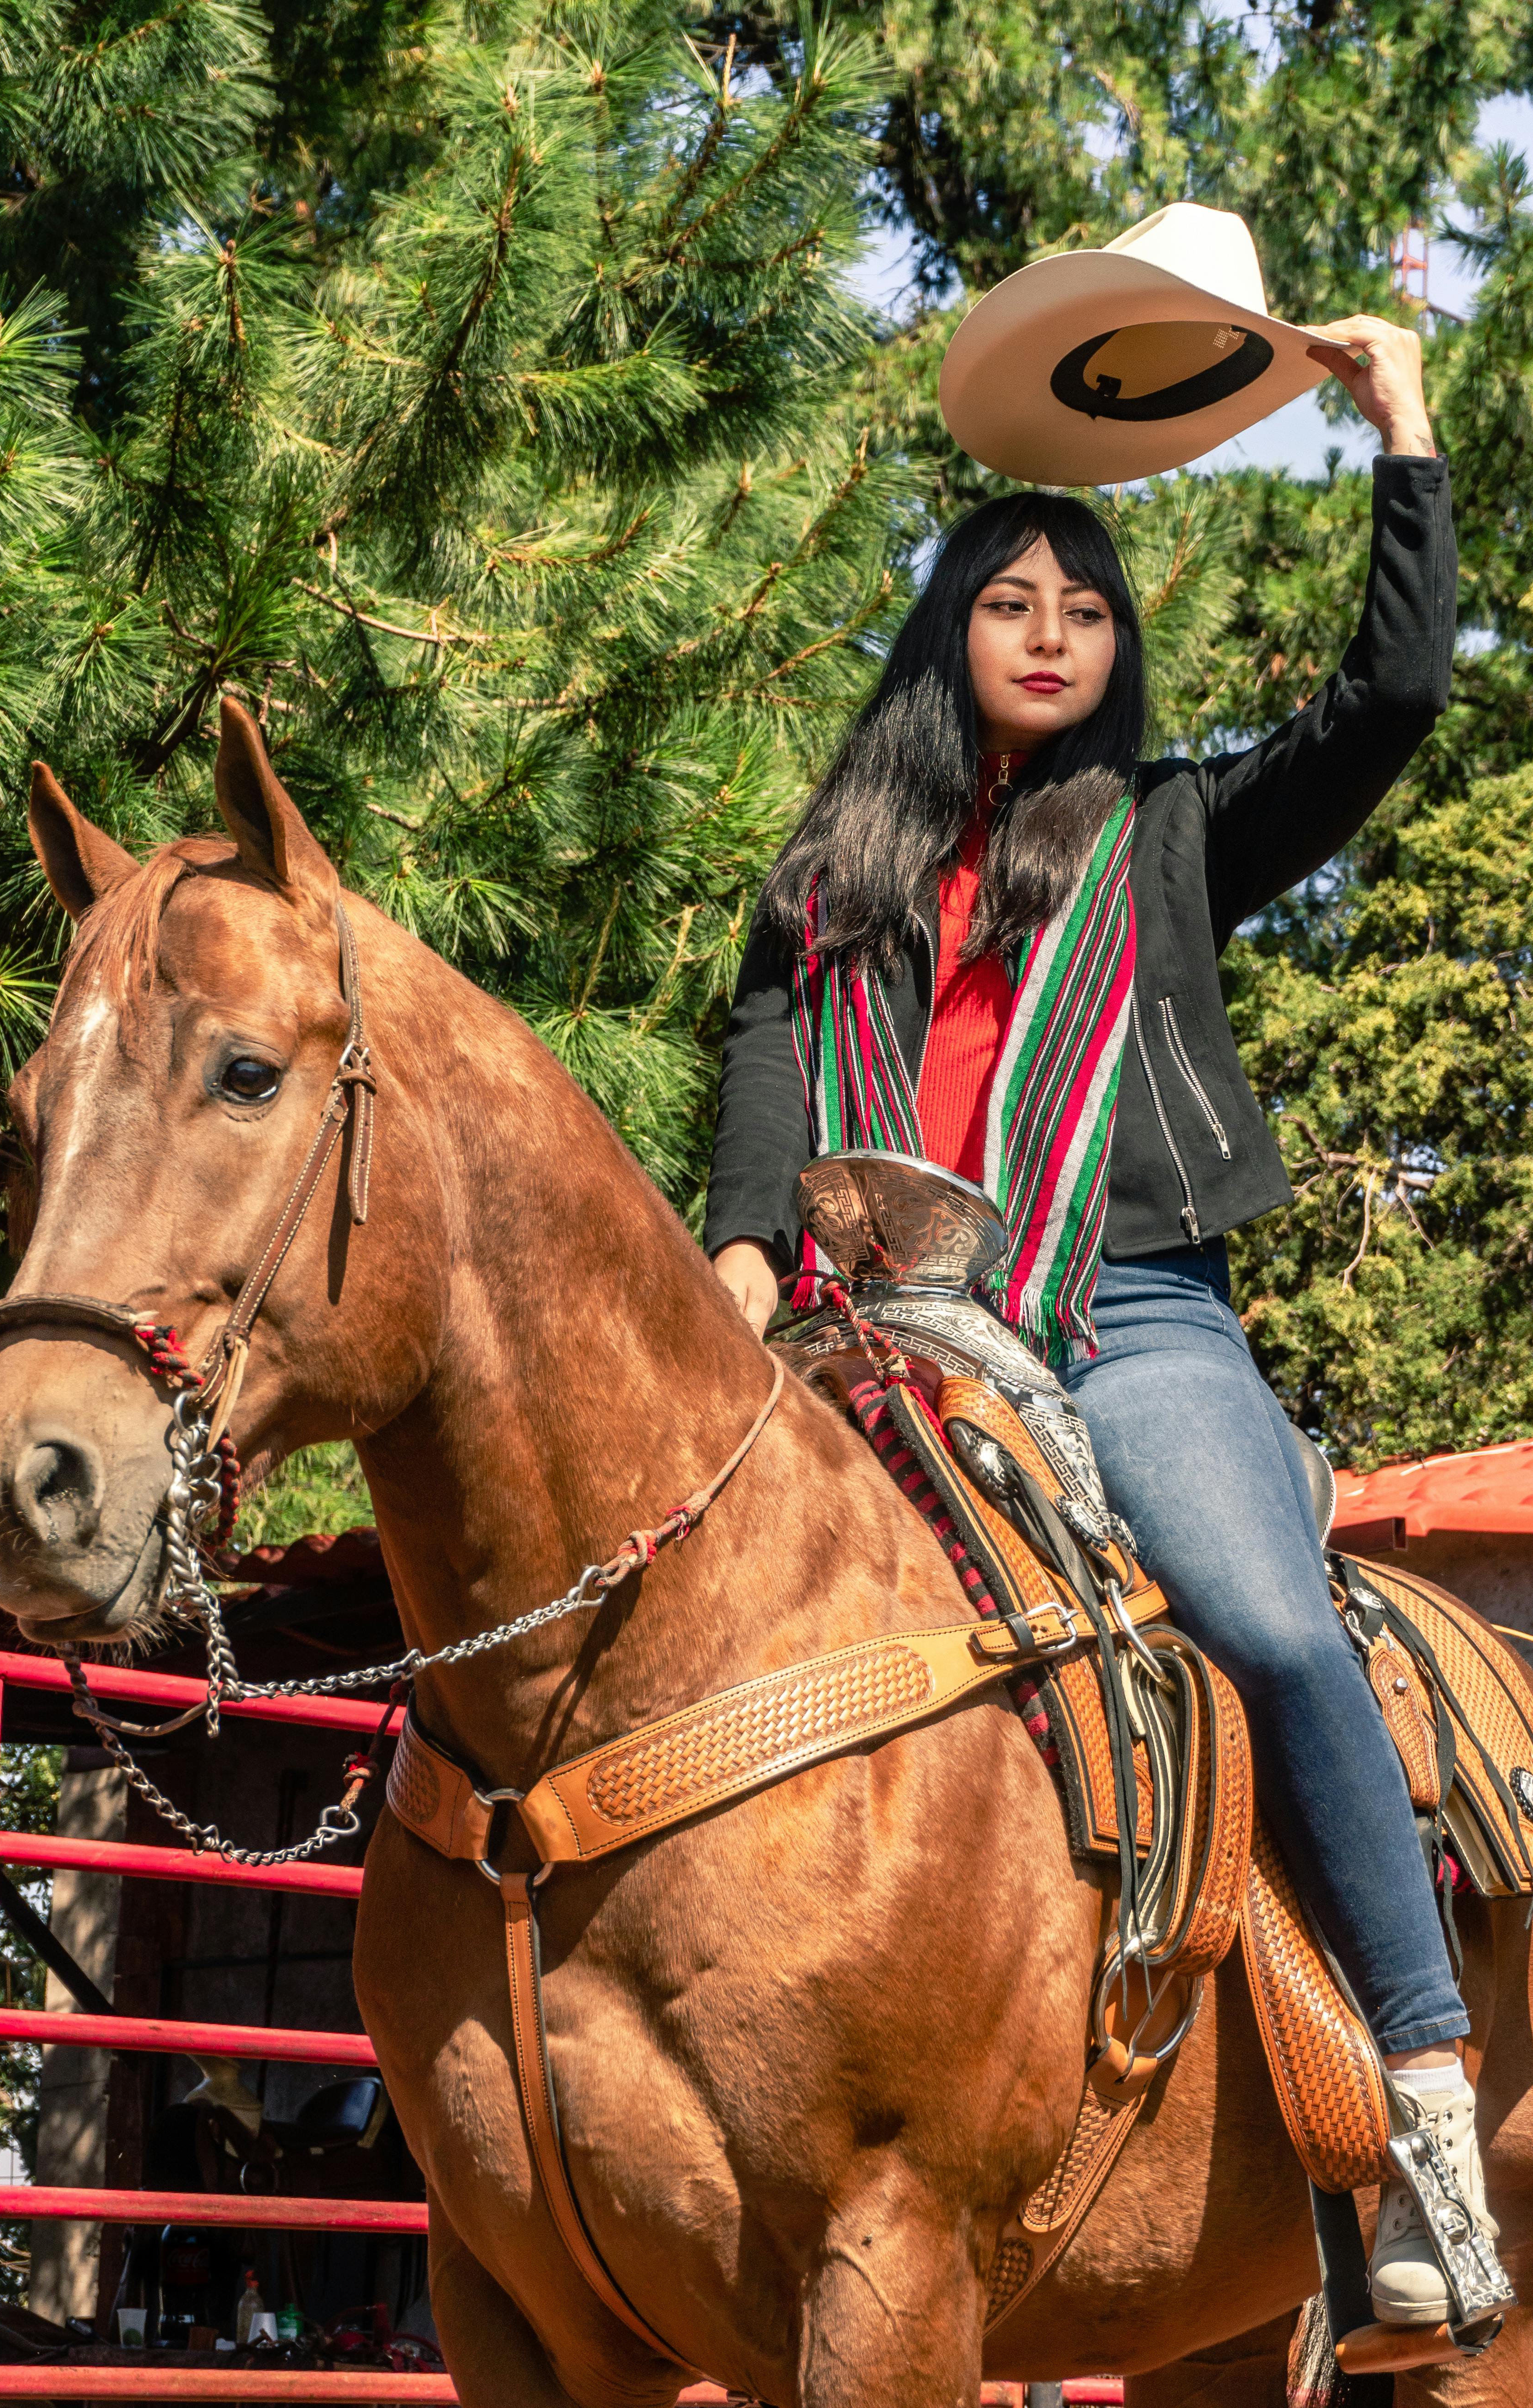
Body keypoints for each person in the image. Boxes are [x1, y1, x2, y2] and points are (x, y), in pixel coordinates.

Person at [705, 318, 1483, 2324]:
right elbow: (765, 1069)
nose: (1048, 628)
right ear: (949, 627)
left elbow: (1392, 697)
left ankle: (1425, 2100)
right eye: (1007, 597)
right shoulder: (830, 876)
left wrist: (1400, 425)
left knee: (1266, 1612)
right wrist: (733, 1263)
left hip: (1127, 1314)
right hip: (868, 1329)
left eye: (1084, 605)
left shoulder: (1168, 835)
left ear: (1116, 645)